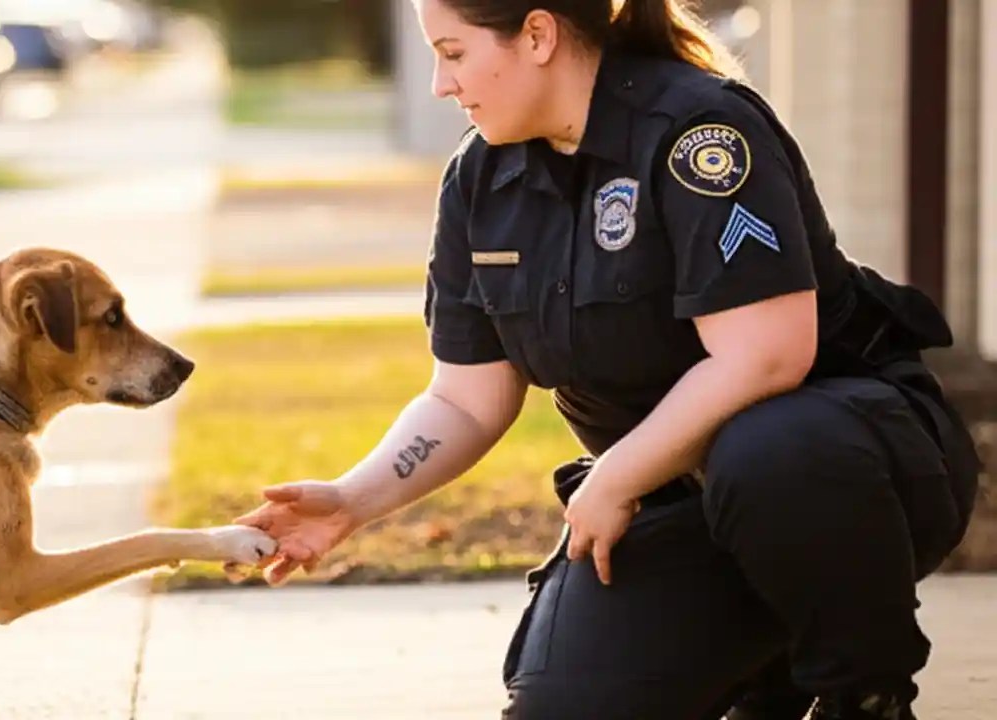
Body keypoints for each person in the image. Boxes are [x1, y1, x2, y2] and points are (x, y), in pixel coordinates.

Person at [233, 1, 981, 718]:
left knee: (771, 450)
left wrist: (617, 474)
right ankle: (767, 675)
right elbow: (466, 399)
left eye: (453, 53)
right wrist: (354, 500)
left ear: (537, 35)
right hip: (679, 503)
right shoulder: (481, 180)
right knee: (567, 705)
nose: (441, 84)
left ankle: (865, 695)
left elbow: (765, 358)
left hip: (854, 476)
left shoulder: (697, 130)